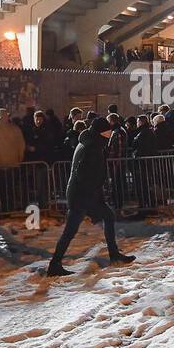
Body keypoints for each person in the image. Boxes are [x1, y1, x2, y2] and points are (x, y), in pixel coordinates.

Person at [47, 117, 136, 277]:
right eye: (107, 130)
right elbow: (84, 175)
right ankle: (55, 264)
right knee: (71, 230)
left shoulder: (92, 143)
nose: (110, 133)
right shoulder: (91, 147)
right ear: (101, 132)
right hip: (82, 195)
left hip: (84, 194)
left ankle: (113, 254)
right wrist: (94, 200)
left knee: (106, 217)